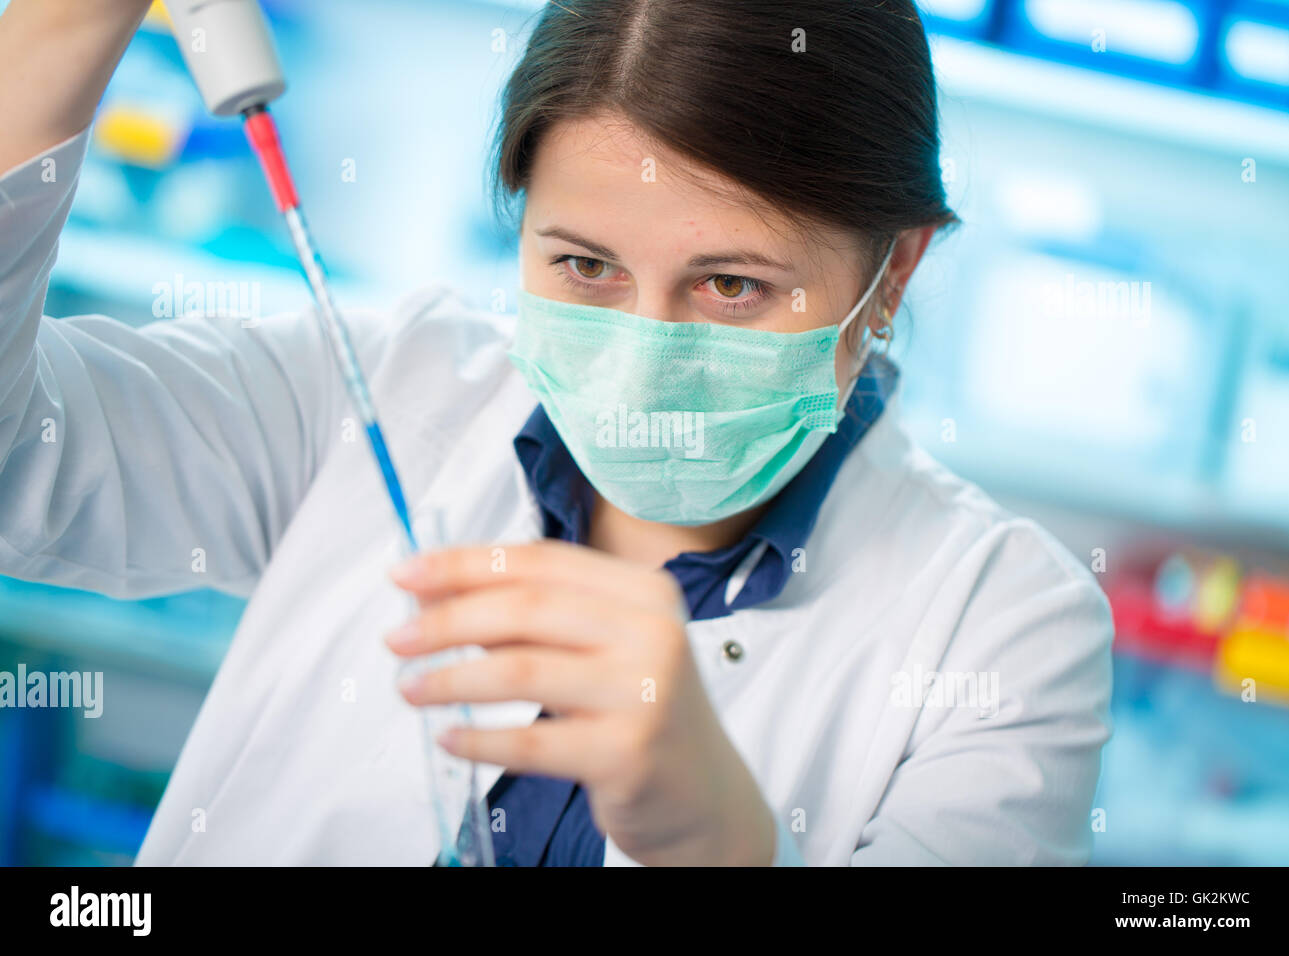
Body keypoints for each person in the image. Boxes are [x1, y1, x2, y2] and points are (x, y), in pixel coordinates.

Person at [0, 0, 1112, 866]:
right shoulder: (376, 390)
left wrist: (721, 842)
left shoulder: (1006, 630)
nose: (639, 362)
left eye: (730, 284)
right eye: (584, 264)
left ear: (895, 269)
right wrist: (57, 29)